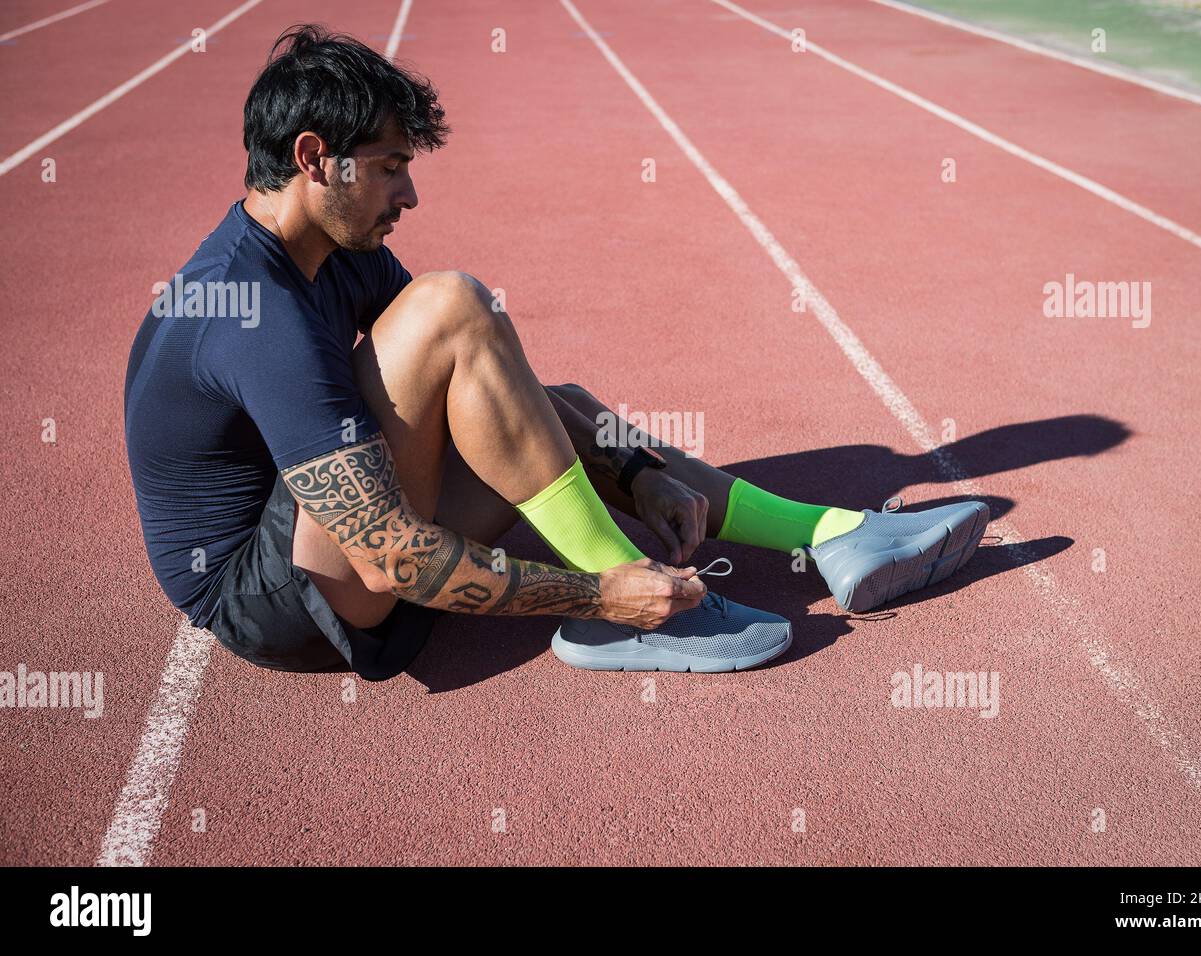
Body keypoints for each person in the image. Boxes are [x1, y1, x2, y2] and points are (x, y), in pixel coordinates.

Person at [123, 25, 988, 680]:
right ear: (316, 159)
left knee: (544, 395)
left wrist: (640, 472)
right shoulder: (252, 311)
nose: (409, 193)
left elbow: (484, 389)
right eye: (389, 168)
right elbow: (388, 557)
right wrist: (593, 593)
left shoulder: (336, 253)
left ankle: (831, 536)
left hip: (327, 534)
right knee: (453, 306)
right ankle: (627, 599)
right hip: (277, 603)